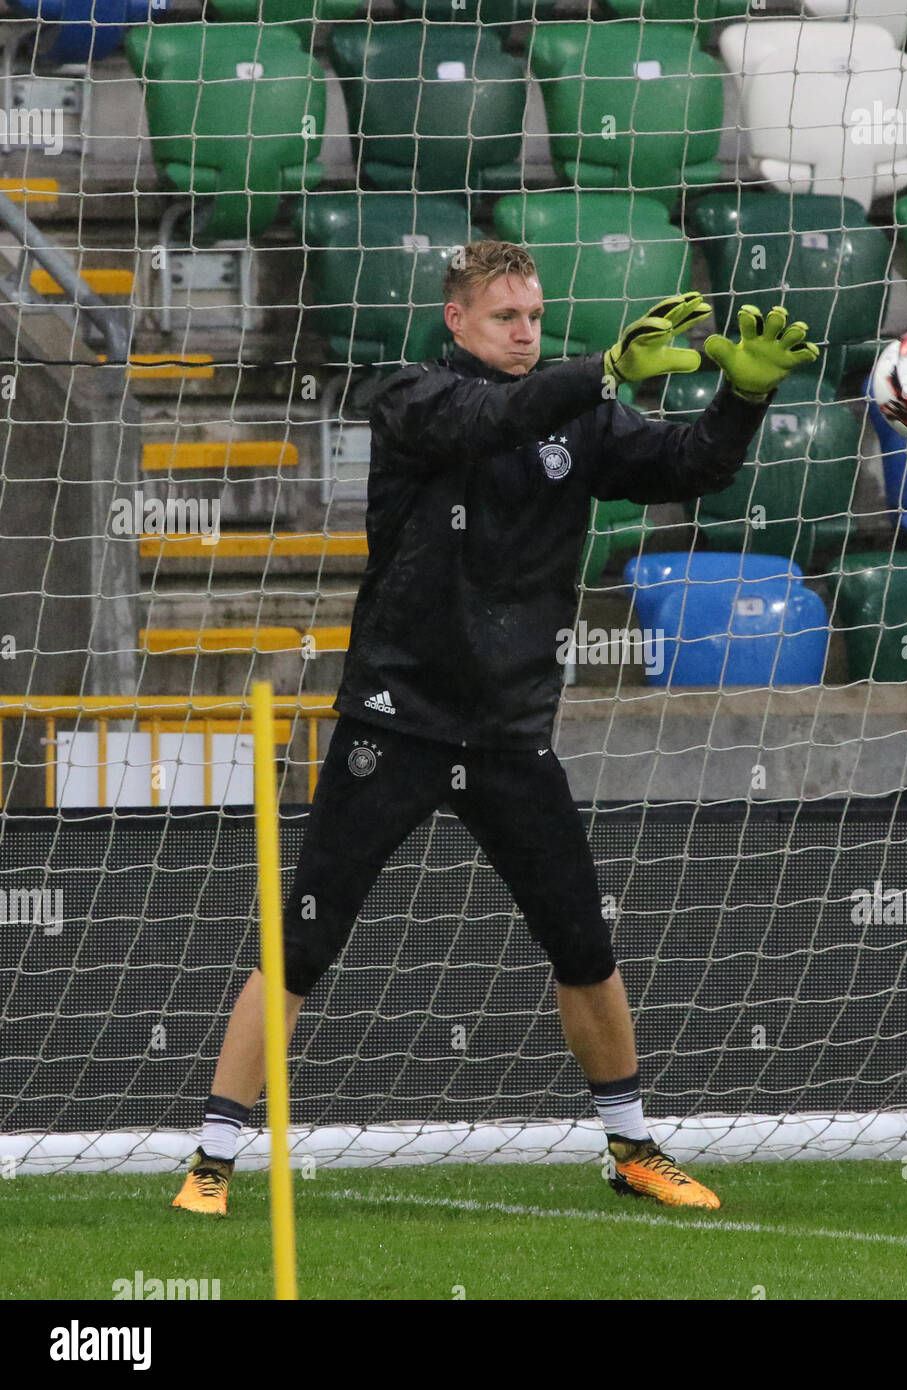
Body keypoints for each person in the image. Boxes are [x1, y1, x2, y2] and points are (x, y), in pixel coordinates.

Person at [171, 240, 819, 1216]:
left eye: (533, 315)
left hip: (511, 735)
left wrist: (742, 397)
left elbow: (694, 465)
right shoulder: (413, 399)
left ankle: (632, 1146)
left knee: (581, 941)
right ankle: (212, 1161)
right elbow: (502, 414)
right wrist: (597, 369)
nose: (524, 331)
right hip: (395, 721)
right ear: (458, 320)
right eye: (505, 316)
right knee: (302, 937)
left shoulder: (580, 418)